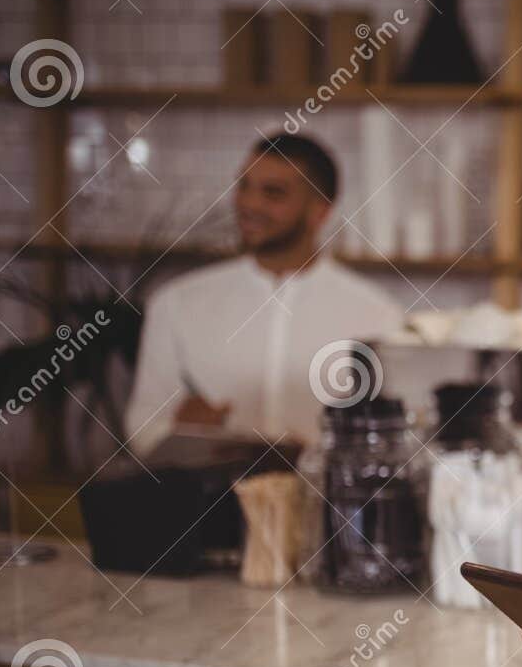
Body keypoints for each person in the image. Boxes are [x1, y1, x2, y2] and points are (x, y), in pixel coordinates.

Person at [123, 133, 403, 455]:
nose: (249, 204)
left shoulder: (377, 315)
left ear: (320, 212)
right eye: (244, 186)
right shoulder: (176, 303)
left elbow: (389, 439)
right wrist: (181, 432)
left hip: (322, 502)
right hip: (209, 502)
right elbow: (143, 426)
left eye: (274, 193)